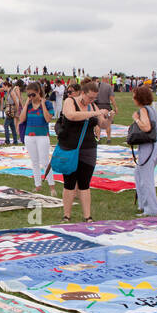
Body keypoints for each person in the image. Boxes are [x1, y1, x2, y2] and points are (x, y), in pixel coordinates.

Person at [58, 79, 101, 222]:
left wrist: (108, 117)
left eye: (94, 98)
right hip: (70, 148)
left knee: (84, 183)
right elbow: (71, 115)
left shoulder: (93, 106)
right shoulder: (70, 102)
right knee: (69, 183)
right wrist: (94, 113)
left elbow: (103, 123)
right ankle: (66, 215)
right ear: (82, 93)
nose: (92, 100)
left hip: (88, 148)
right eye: (90, 97)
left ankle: (87, 216)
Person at [130, 85, 157, 217]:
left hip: (149, 145)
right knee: (138, 173)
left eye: (134, 97)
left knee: (146, 177)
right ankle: (143, 204)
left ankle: (151, 209)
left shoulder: (143, 110)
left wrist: (136, 119)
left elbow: (146, 127)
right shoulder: (153, 110)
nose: (133, 99)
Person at [18, 81, 55, 195]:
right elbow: (22, 119)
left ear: (39, 92)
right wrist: (25, 104)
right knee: (34, 161)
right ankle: (37, 185)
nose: (31, 97)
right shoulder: (28, 105)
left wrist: (43, 104)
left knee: (45, 161)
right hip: (29, 136)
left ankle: (52, 186)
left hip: (42, 135)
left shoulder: (48, 104)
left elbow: (48, 119)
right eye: (28, 95)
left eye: (33, 94)